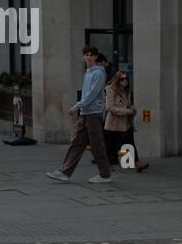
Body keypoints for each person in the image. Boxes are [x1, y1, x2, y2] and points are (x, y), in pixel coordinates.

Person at [46, 45, 113, 184]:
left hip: (93, 114)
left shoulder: (99, 73)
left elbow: (92, 95)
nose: (88, 57)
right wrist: (81, 109)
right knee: (77, 144)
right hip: (86, 113)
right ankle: (65, 172)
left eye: (91, 55)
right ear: (83, 57)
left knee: (97, 146)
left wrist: (77, 106)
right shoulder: (88, 72)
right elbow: (86, 95)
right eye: (86, 54)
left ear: (95, 57)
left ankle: (105, 175)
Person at [104, 70, 149, 171]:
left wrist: (133, 109)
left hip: (126, 123)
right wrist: (126, 111)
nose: (124, 81)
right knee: (111, 146)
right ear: (117, 80)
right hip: (113, 124)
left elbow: (128, 104)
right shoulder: (111, 90)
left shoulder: (127, 91)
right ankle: (107, 164)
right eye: (122, 79)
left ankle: (136, 162)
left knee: (129, 142)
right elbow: (109, 107)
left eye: (126, 79)